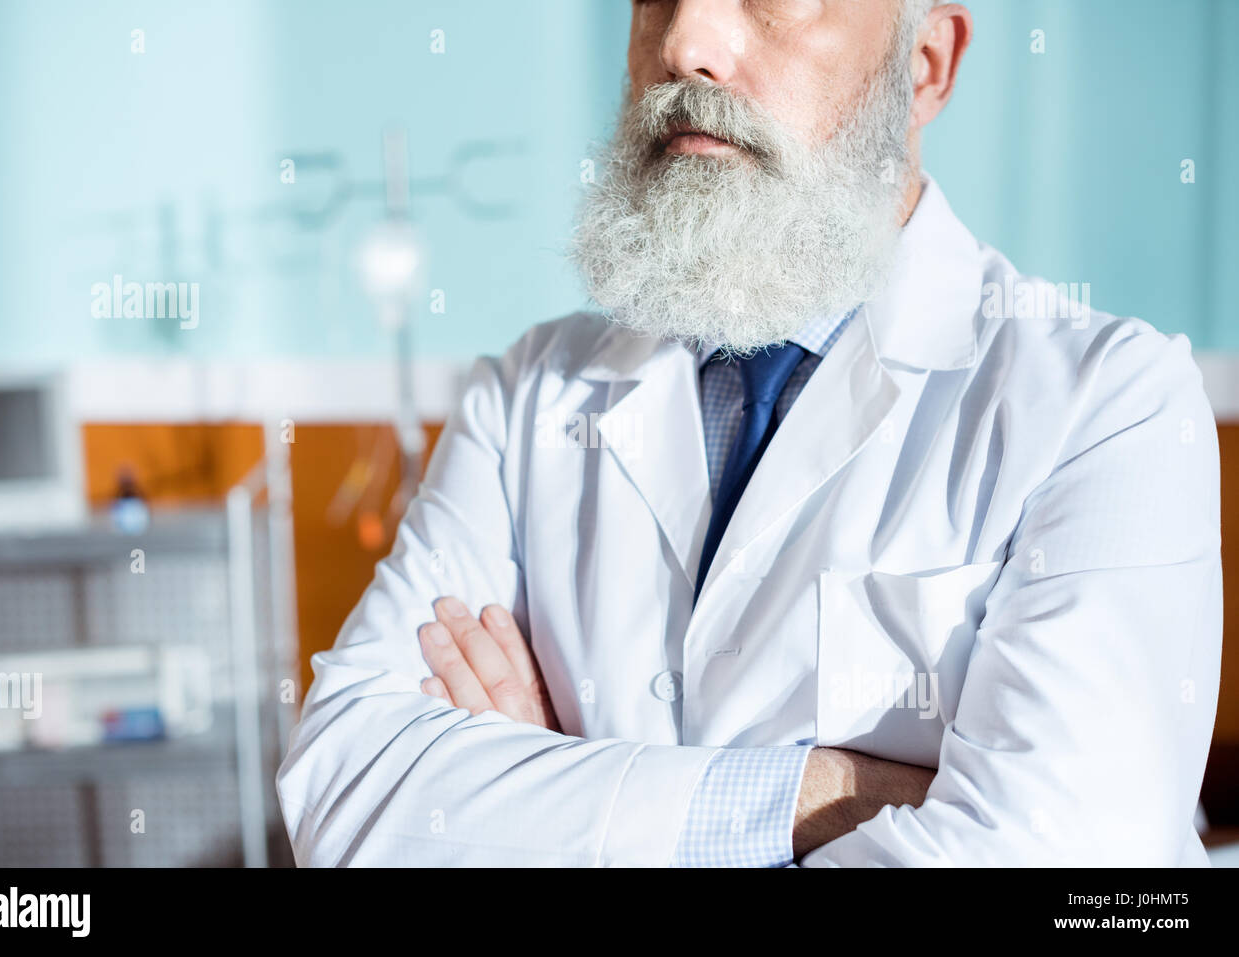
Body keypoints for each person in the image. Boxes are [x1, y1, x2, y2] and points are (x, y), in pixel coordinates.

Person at [277, 0, 1222, 866]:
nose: (684, 43)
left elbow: (1084, 885)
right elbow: (348, 789)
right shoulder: (530, 392)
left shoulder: (1109, 407)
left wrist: (553, 785)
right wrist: (822, 798)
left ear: (924, 67)